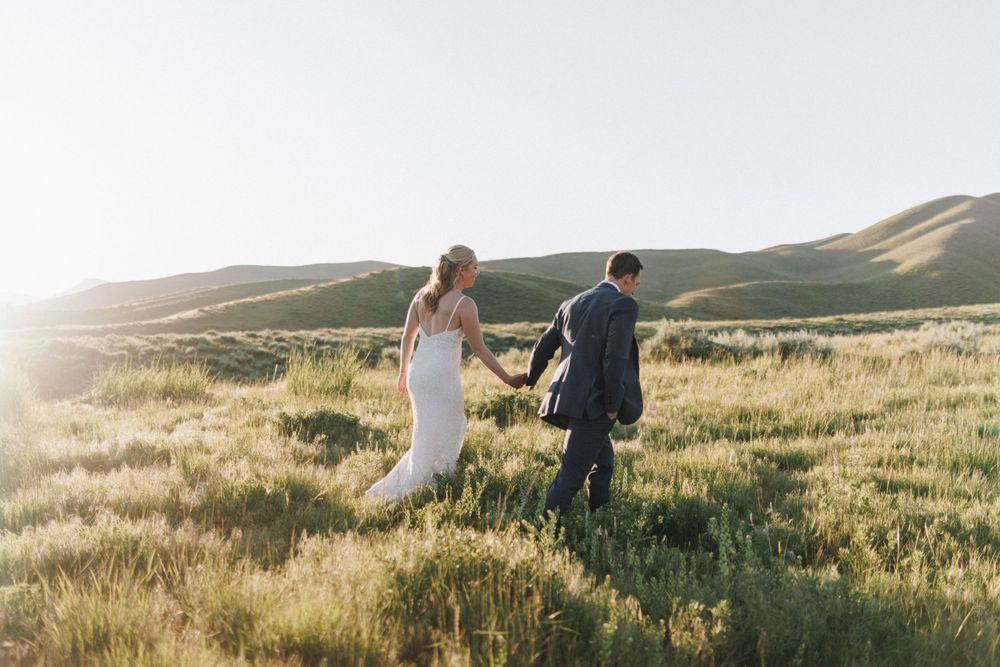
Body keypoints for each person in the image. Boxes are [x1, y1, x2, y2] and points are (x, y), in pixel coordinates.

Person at [366, 244, 526, 501]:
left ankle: (418, 487)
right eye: (475, 267)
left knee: (425, 435)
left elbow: (408, 336)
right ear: (461, 270)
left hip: (418, 375)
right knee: (450, 430)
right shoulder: (465, 304)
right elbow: (480, 350)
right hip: (441, 378)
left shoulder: (422, 296)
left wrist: (403, 372)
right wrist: (507, 378)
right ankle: (428, 490)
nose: (478, 272)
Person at [525, 251, 644, 526]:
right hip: (594, 404)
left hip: (565, 398)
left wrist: (531, 376)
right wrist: (613, 405)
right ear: (628, 279)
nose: (635, 289)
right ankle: (543, 533)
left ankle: (600, 518)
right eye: (636, 283)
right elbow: (615, 358)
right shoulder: (624, 306)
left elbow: (544, 345)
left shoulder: (571, 303)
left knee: (603, 462)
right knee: (571, 474)